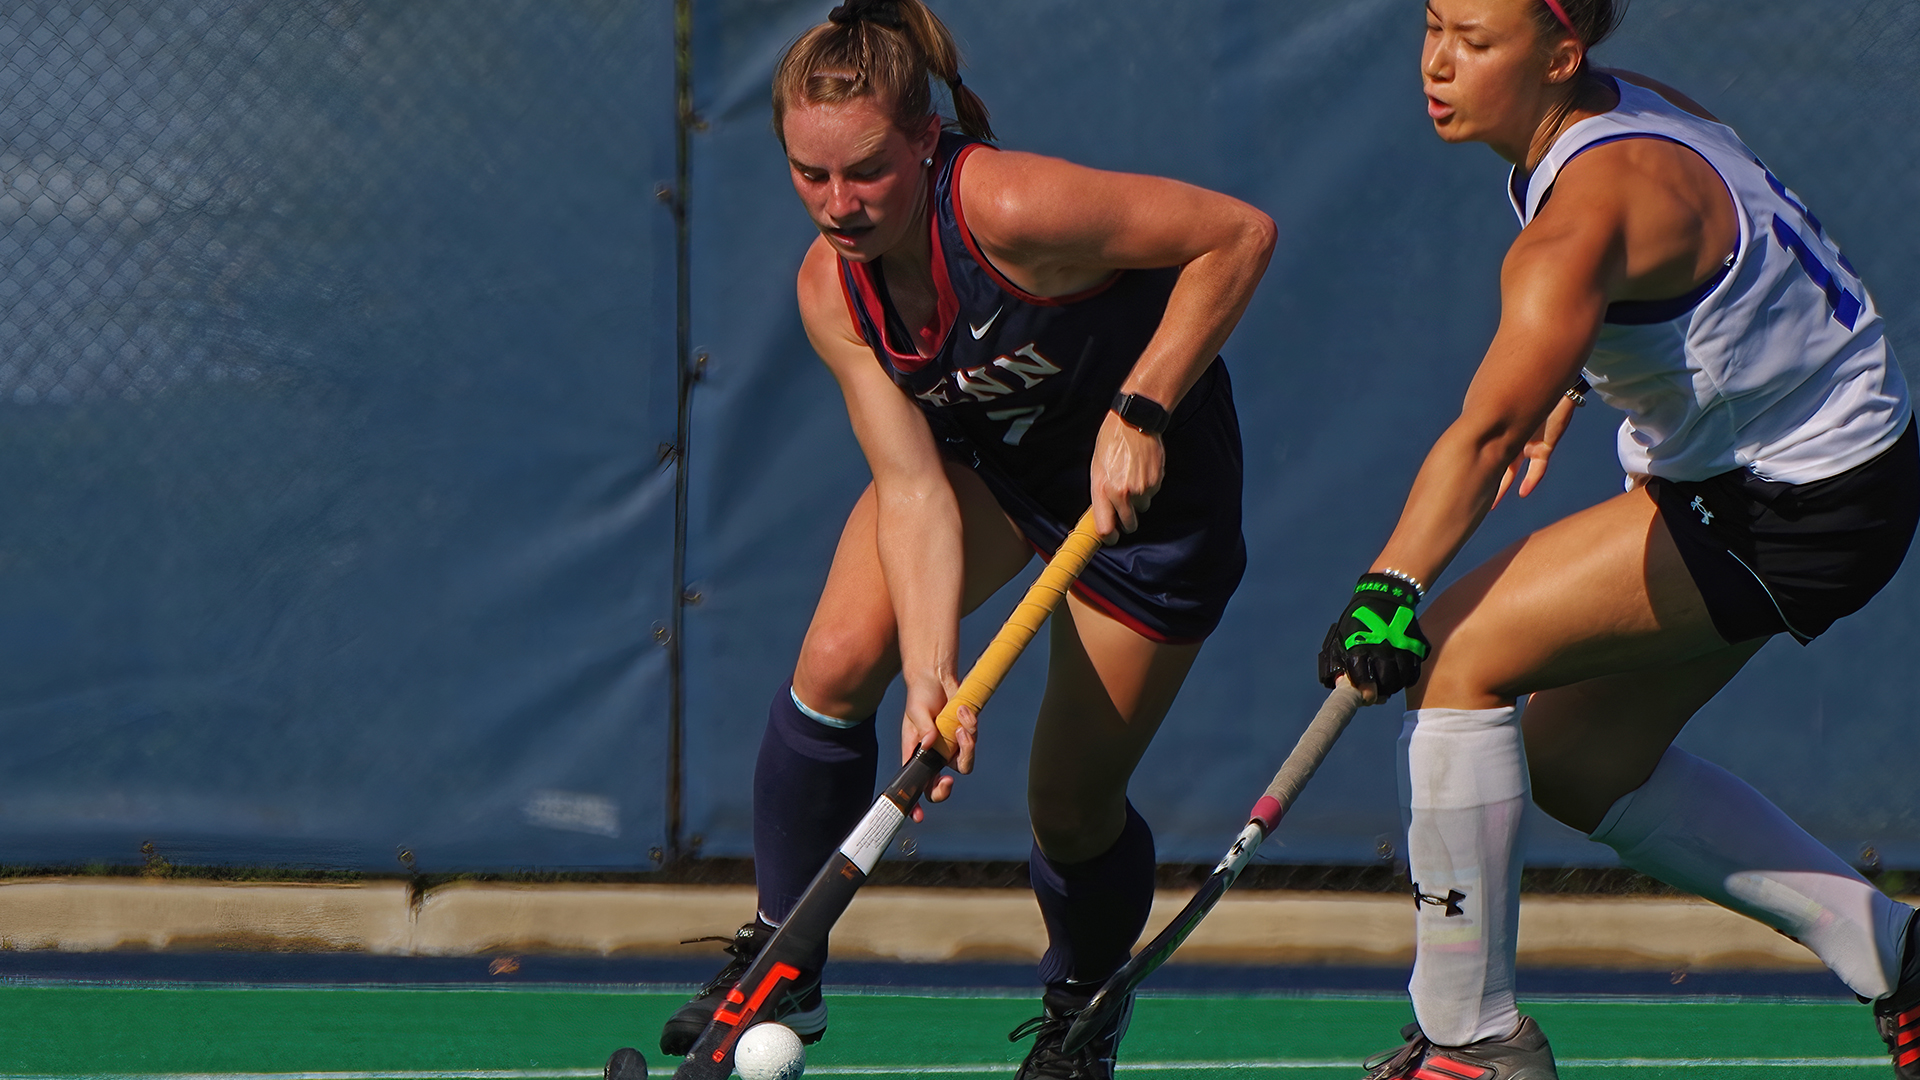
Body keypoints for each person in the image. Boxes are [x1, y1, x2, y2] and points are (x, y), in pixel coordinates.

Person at [657, 2, 1275, 1077]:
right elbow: (910, 491)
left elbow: (1237, 233)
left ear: (924, 141)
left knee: (1068, 807)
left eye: (865, 174)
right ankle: (785, 966)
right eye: (810, 176)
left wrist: (1143, 409)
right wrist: (932, 677)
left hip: (1146, 506)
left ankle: (1084, 1005)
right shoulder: (831, 292)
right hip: (989, 470)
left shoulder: (1007, 205)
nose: (839, 206)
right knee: (841, 661)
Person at [1317, 1, 1919, 1077]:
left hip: (1786, 499)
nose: (1440, 63)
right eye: (1432, 26)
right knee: (1578, 763)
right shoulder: (1633, 112)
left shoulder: (1578, 220)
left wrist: (1388, 590)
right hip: (1842, 467)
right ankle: (1900, 956)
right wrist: (1589, 375)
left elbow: (1486, 429)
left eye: (1477, 41)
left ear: (1560, 56)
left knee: (1456, 653)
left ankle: (1473, 1042)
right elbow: (1720, 278)